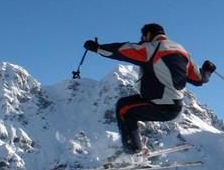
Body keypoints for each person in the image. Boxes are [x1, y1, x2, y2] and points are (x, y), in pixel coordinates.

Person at [84, 23, 216, 154]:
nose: (141, 40)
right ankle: (137, 145)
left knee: (124, 109)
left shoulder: (151, 48)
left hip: (160, 105)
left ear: (148, 34)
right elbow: (199, 79)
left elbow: (121, 50)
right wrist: (207, 70)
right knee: (130, 108)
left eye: (142, 37)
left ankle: (133, 152)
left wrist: (98, 48)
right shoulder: (184, 53)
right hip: (174, 107)